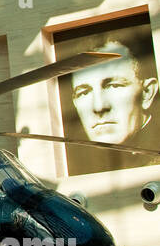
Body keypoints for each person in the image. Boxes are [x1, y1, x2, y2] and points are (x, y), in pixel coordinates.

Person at [67, 38, 160, 169]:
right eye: (84, 93)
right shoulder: (75, 163)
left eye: (114, 86)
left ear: (147, 93)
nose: (99, 106)